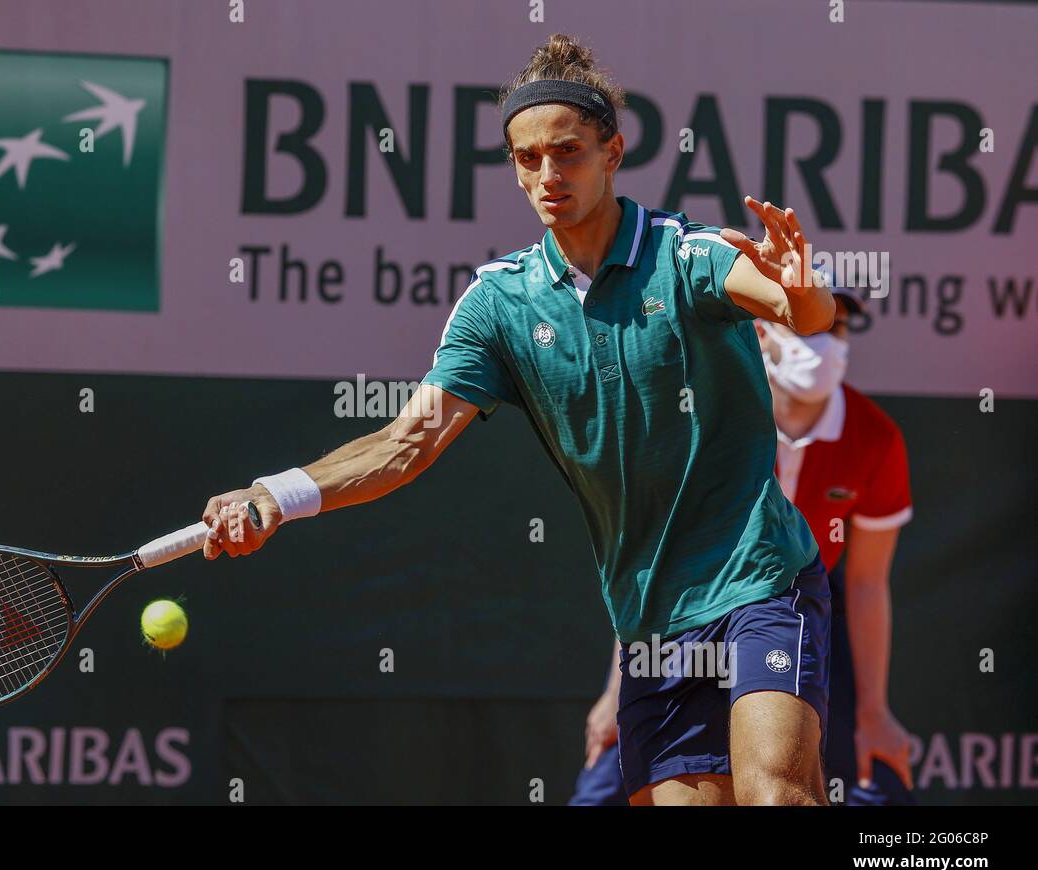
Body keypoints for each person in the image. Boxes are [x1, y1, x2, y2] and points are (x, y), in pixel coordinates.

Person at [199, 34, 838, 805]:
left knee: (777, 793)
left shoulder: (688, 253)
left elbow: (797, 309)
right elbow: (409, 442)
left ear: (613, 152)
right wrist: (276, 494)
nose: (548, 175)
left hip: (760, 577)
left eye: (567, 152)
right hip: (652, 622)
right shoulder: (498, 303)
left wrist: (806, 294)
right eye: (527, 158)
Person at [572, 284, 916, 806]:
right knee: (608, 780)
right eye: (805, 326)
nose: (823, 341)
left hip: (804, 616)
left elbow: (867, 581)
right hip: (693, 607)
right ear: (761, 333)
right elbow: (655, 563)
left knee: (873, 782)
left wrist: (874, 711)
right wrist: (613, 686)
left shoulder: (876, 438)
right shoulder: (707, 423)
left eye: (836, 327)